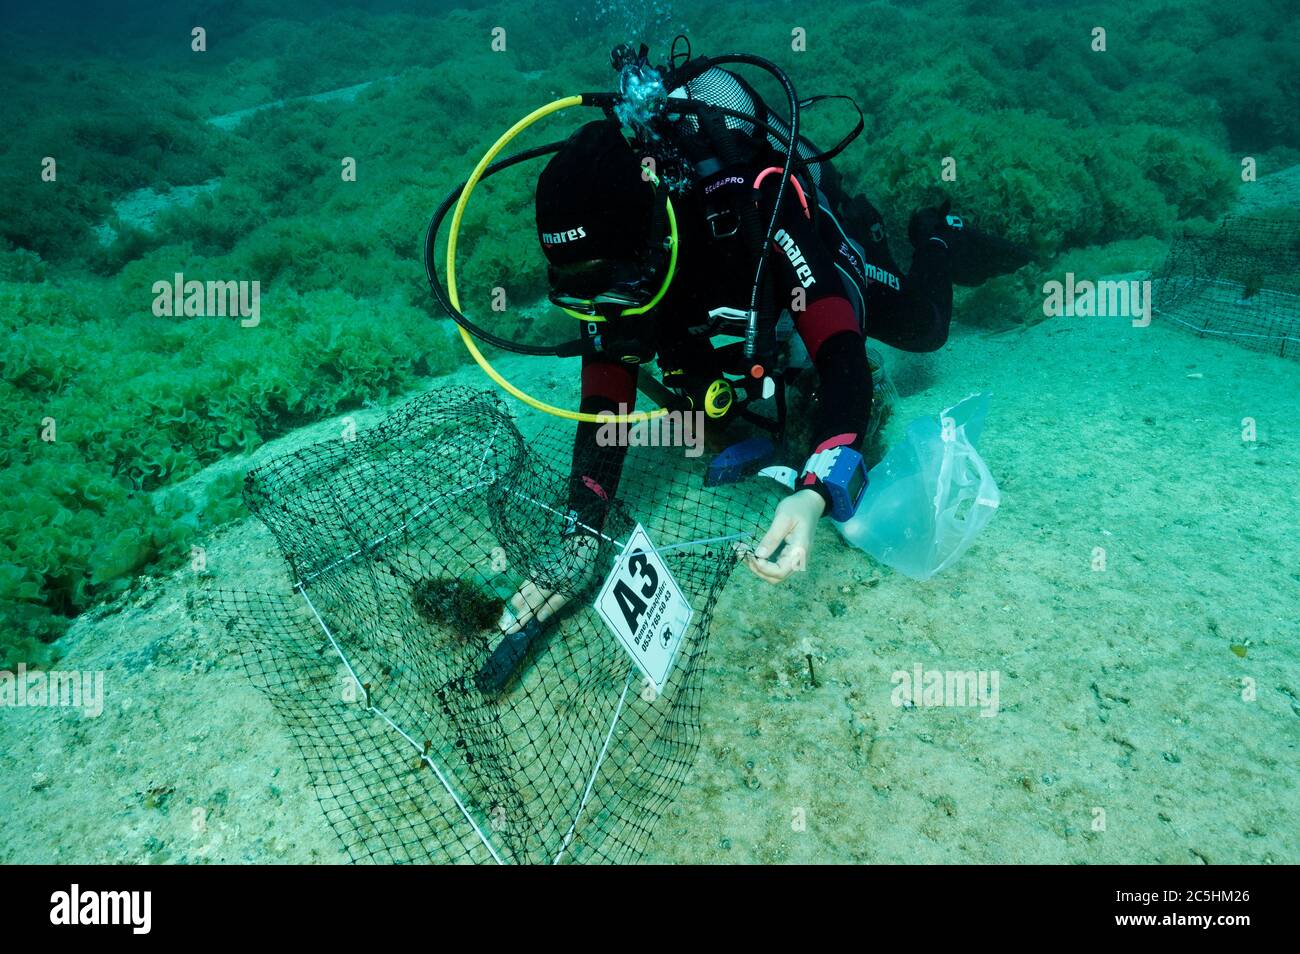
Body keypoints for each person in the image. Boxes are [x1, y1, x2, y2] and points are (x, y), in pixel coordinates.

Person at [497, 64, 1021, 639]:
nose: (601, 307)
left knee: (925, 329)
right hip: (708, 292)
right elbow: (605, 410)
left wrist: (815, 491)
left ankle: (935, 232)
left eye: (610, 282)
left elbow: (842, 355)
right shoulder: (613, 285)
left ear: (654, 236)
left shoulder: (754, 204)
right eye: (577, 290)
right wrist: (581, 529)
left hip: (814, 243)